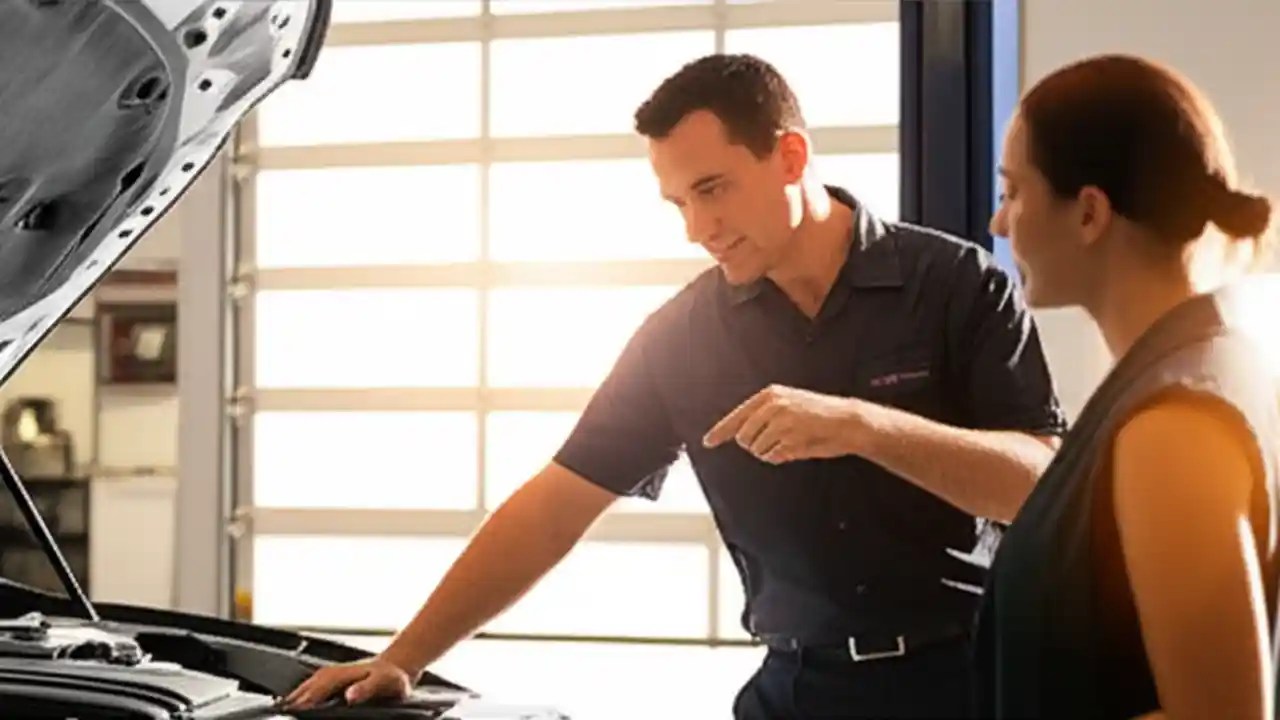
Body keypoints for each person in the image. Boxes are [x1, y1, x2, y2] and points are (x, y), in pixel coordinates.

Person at [285, 53, 1066, 719]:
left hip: (971, 683)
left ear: (791, 158)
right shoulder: (682, 338)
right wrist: (407, 656)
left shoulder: (957, 283)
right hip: (795, 692)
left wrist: (862, 426)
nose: (698, 227)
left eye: (714, 188)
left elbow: (1040, 487)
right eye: (679, 202)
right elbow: (556, 505)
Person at [973, 53, 1279, 720]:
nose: (999, 224)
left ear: (1089, 213)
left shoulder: (1172, 424)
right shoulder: (1188, 374)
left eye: (1013, 192)